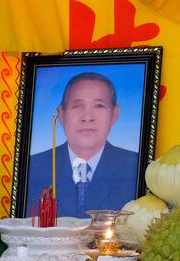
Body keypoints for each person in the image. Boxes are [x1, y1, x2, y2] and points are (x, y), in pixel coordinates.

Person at [25, 71, 140, 219]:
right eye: (77, 106)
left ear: (114, 114)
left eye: (99, 106)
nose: (87, 117)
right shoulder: (33, 167)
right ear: (61, 114)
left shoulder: (136, 166)